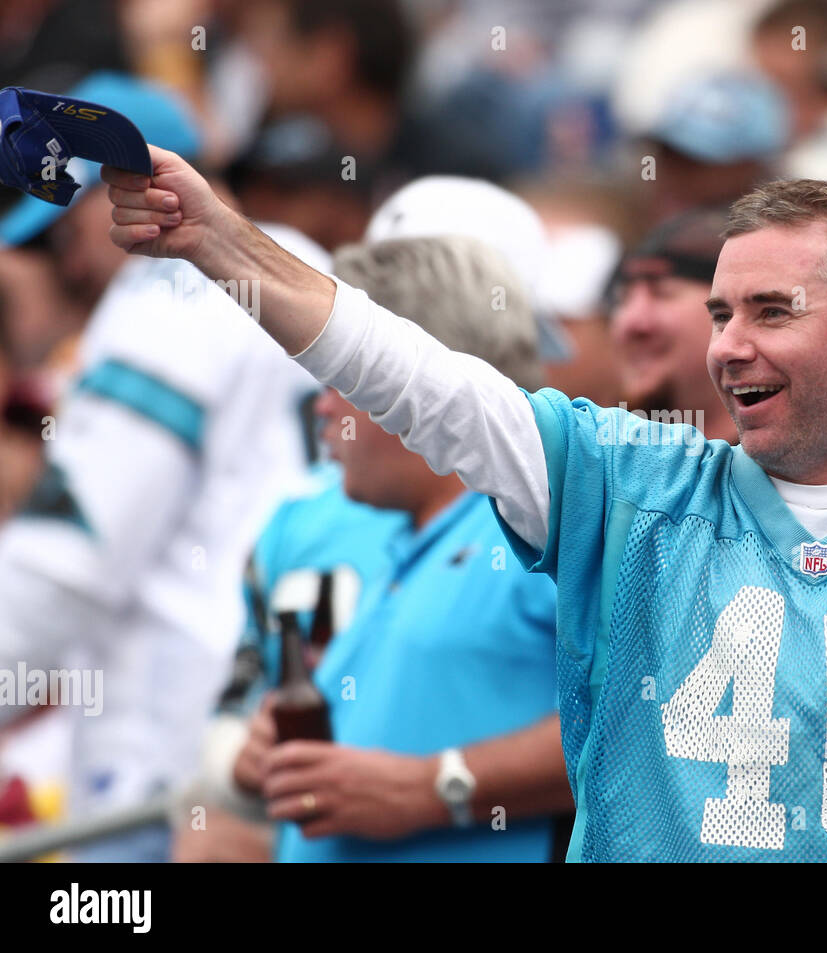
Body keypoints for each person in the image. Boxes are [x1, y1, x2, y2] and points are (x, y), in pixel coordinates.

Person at [102, 21, 827, 861]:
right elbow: (420, 379)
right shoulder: (629, 486)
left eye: (771, 311)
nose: (727, 345)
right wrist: (224, 244)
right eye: (721, 312)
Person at [0, 73, 328, 861]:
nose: (68, 261)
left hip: (171, 744)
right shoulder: (303, 263)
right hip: (290, 713)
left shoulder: (166, 293)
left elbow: (69, 557)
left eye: (62, 227)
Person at [184, 236, 571, 863]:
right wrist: (254, 754)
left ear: (417, 386)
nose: (322, 406)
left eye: (342, 379)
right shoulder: (399, 537)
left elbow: (639, 720)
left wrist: (436, 788)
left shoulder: (541, 530)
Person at [607, 208, 738, 444]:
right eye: (623, 298)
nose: (631, 323)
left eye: (663, 294)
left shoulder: (784, 469)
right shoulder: (601, 458)